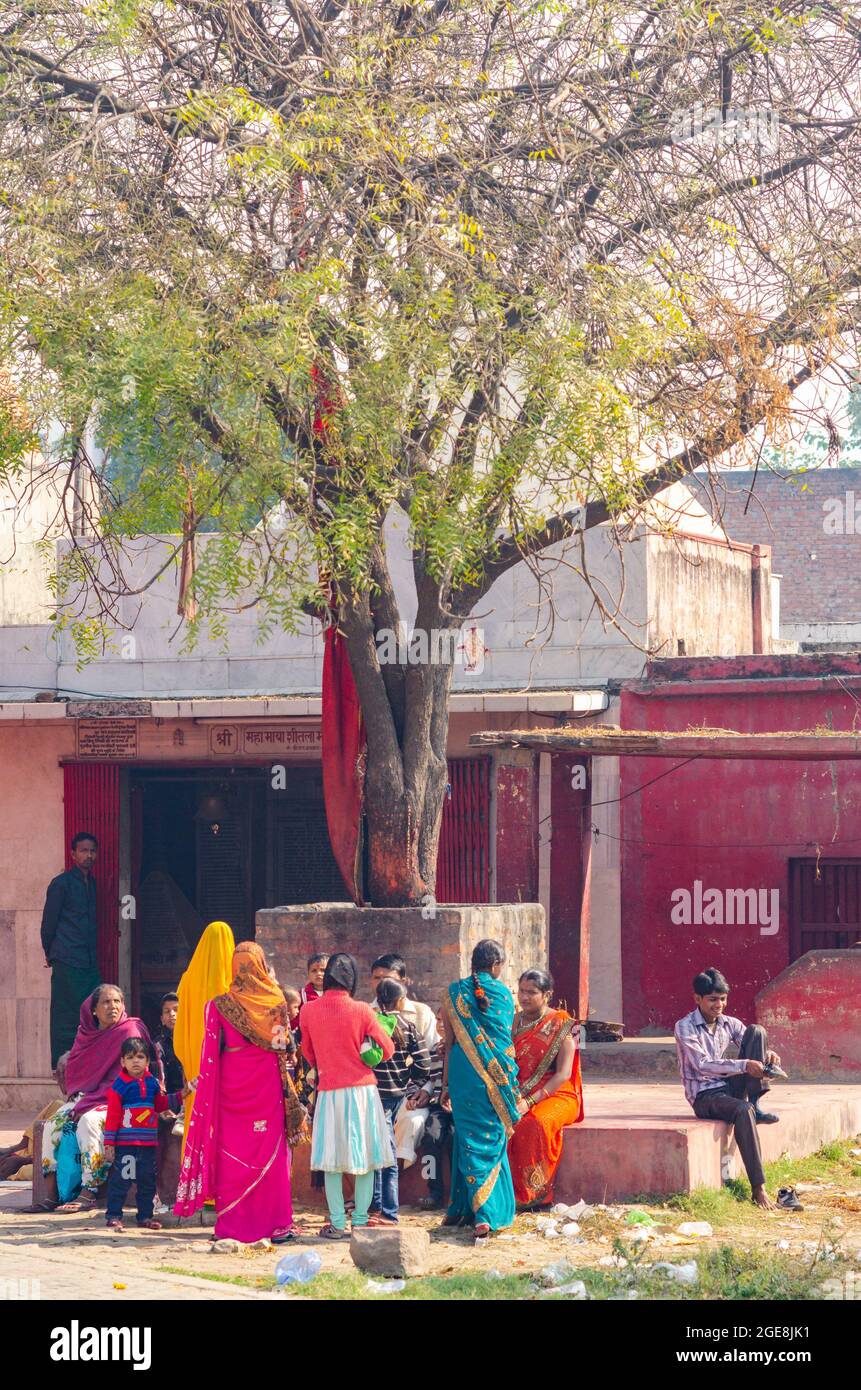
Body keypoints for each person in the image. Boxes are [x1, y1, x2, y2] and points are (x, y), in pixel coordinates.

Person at [174, 942, 307, 1243]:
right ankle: (277, 1226)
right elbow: (282, 1048)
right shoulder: (276, 1003)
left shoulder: (219, 1005)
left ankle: (232, 1226)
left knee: (231, 1152)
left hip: (231, 1086)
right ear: (261, 966)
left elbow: (210, 1055)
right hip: (267, 1085)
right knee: (270, 1155)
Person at [674, 966, 787, 1211]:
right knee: (742, 1109)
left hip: (727, 1086)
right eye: (713, 999)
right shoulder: (685, 1026)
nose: (719, 1005)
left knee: (757, 1032)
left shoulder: (729, 1023)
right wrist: (745, 1065)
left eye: (723, 999)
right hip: (705, 1095)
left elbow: (751, 1042)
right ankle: (758, 1188)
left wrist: (768, 1056)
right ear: (697, 999)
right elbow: (701, 1064)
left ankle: (757, 1104)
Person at [299, 952, 395, 1239]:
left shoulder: (309, 1011)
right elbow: (387, 1049)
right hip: (363, 1092)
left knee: (332, 1161)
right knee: (365, 1158)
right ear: (352, 980)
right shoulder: (363, 1010)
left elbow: (307, 1052)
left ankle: (338, 1223)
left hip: (329, 1093)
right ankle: (362, 1221)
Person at [40, 984, 151, 1212]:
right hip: (87, 1098)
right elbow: (78, 1070)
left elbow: (136, 1073)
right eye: (107, 1002)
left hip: (121, 1099)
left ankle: (89, 1192)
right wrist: (85, 1099)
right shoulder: (86, 1034)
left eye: (117, 1002)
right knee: (53, 1124)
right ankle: (50, 1194)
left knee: (89, 1123)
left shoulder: (130, 1031)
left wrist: (95, 1099)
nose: (113, 1007)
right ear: (94, 1010)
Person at [441, 939, 525, 1237]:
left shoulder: (453, 993)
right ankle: (485, 1214)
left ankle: (462, 1208)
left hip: (464, 1073)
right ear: (496, 966)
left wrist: (444, 1084)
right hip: (495, 1077)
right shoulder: (503, 994)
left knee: (468, 1137)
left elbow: (449, 1045)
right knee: (490, 1136)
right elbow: (506, 1041)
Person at [507, 968, 584, 1209]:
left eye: (532, 992)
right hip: (518, 1090)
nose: (524, 997)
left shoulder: (567, 1024)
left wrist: (529, 1102)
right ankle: (503, 1193)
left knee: (535, 1123)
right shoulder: (511, 1020)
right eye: (521, 991)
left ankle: (533, 1194)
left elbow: (563, 1074)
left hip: (558, 1092)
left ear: (547, 994)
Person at [104, 1037, 189, 1231]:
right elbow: (113, 1116)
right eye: (130, 1057)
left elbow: (159, 1104)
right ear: (122, 1062)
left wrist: (179, 1096)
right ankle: (114, 1215)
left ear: (147, 1060)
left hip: (148, 1145)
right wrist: (109, 1143)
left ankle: (144, 1217)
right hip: (126, 1145)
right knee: (121, 1181)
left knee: (147, 1182)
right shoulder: (119, 1086)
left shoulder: (151, 1083)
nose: (136, 1061)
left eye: (140, 1057)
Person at [370, 978, 431, 1225]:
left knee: (379, 1150)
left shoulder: (371, 1025)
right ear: (401, 1000)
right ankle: (385, 1210)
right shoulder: (408, 1025)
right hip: (398, 1095)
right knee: (387, 1150)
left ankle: (383, 1210)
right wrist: (409, 1079)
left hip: (374, 1094)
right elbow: (424, 1064)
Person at [40, 831, 101, 1069]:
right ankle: (62, 1065)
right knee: (65, 1015)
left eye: (92, 851)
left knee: (95, 1009)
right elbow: (49, 923)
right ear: (73, 854)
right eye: (84, 851)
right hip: (66, 957)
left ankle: (90, 1062)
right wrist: (50, 953)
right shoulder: (61, 884)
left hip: (87, 959)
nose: (89, 855)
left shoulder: (92, 883)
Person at [174, 919, 236, 1150]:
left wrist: (190, 1061)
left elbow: (179, 1034)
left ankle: (193, 1178)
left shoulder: (187, 980)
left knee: (195, 1117)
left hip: (194, 1068)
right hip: (224, 1070)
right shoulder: (233, 985)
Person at [370, 954, 439, 1052]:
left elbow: (433, 1050)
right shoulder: (365, 1012)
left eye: (387, 978)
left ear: (402, 982)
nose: (382, 983)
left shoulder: (422, 1013)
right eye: (377, 978)